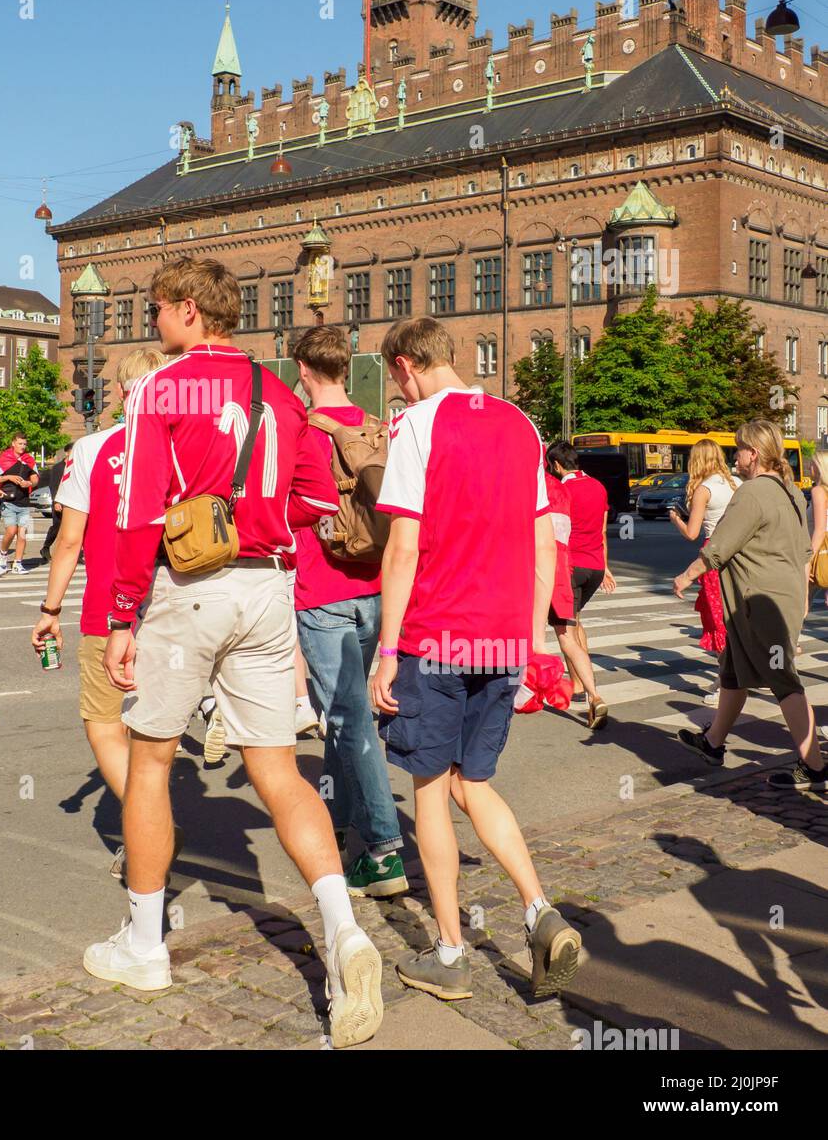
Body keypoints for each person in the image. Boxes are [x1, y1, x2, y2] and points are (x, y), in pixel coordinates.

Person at [92, 257, 385, 1050]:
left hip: (189, 585)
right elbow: (317, 497)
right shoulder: (277, 391)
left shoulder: (163, 388)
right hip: (268, 587)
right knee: (279, 770)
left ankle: (145, 944)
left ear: (189, 311)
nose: (151, 321)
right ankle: (344, 932)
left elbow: (139, 512)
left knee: (150, 761)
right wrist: (265, 518)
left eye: (156, 309)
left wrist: (122, 613)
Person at [369, 317, 581, 1002]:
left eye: (395, 380)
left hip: (436, 631)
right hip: (501, 636)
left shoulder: (415, 427)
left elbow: (403, 546)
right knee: (475, 783)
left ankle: (451, 952)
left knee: (429, 789)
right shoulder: (521, 424)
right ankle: (538, 911)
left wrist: (386, 648)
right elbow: (545, 541)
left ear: (406, 366)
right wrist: (536, 638)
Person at [33, 347, 167, 879]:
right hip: (175, 606)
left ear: (123, 391)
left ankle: (148, 827)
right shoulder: (185, 446)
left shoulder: (90, 449)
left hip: (110, 607)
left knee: (104, 722)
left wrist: (48, 609)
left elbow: (69, 541)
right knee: (156, 724)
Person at [288, 325, 409, 896]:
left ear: (304, 372)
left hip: (325, 590)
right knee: (346, 714)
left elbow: (294, 511)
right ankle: (334, 823)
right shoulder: (376, 427)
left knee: (350, 719)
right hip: (378, 587)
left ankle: (384, 850)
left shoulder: (301, 433)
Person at [674, 419, 825, 790]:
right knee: (733, 670)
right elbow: (801, 546)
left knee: (783, 679)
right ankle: (712, 744)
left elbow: (720, 545)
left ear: (753, 454)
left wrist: (686, 575)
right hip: (771, 598)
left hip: (762, 603)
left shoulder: (753, 492)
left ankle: (815, 767)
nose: (734, 456)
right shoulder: (788, 489)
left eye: (739, 449)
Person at [546, 441, 615, 725]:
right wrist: (606, 567)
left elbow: (552, 533)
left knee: (565, 631)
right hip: (595, 566)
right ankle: (578, 683)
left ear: (558, 465)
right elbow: (601, 532)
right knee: (575, 621)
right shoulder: (599, 486)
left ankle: (590, 692)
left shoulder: (563, 490)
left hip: (570, 566)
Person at [670, 437, 739, 700]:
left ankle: (727, 684)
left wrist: (676, 518)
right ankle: (736, 675)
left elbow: (692, 532)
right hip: (737, 553)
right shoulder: (734, 483)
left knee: (717, 619)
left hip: (713, 555)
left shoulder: (704, 489)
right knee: (732, 617)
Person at [0, 433, 39, 575]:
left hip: (24, 501)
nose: (22, 447)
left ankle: (18, 563)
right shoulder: (4, 458)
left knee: (22, 534)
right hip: (8, 500)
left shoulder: (28, 459)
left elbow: (35, 477)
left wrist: (29, 483)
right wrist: (9, 477)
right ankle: (3, 556)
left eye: (24, 444)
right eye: (20, 444)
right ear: (13, 443)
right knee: (11, 531)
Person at [39, 450, 69, 563]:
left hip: (72, 501)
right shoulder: (58, 468)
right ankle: (46, 547)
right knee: (57, 526)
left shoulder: (76, 466)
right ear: (67, 453)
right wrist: (56, 501)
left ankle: (73, 553)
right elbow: (54, 485)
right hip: (59, 501)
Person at [809, 450, 828, 610]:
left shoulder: (818, 491)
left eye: (813, 464)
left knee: (802, 600)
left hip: (820, 549)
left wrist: (808, 558)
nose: (809, 467)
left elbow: (819, 529)